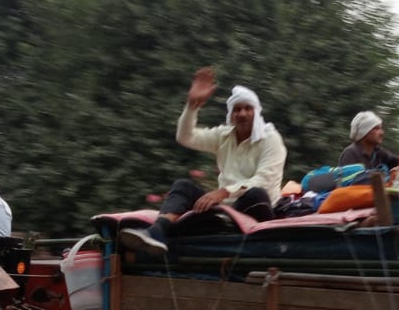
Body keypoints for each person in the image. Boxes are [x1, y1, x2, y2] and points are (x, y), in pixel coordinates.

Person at [121, 67, 287, 256]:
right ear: (231, 114)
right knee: (183, 186)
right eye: (237, 109)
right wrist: (192, 106)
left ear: (256, 113)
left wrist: (223, 192)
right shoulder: (224, 136)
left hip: (255, 207)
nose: (242, 114)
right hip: (227, 209)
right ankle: (156, 232)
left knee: (256, 193)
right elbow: (186, 137)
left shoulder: (271, 139)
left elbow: (264, 180)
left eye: (248, 108)